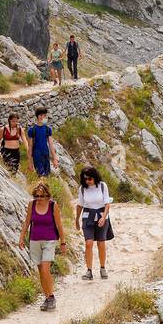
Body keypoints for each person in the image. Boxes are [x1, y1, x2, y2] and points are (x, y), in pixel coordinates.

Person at [19, 180, 65, 311]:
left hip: (50, 240)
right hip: (34, 240)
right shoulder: (32, 204)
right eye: (36, 196)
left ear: (47, 196)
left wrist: (63, 242)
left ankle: (51, 296)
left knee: (45, 270)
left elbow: (59, 225)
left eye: (41, 196)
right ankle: (47, 298)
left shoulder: (53, 206)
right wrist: (22, 237)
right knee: (41, 272)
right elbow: (27, 222)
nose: (39, 199)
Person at [74, 166, 113, 280]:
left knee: (101, 242)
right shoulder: (82, 188)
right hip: (87, 217)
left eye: (90, 178)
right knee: (88, 243)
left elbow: (107, 204)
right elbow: (80, 205)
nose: (87, 181)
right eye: (85, 179)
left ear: (95, 177)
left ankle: (102, 268)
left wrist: (104, 217)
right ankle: (89, 270)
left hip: (101, 215)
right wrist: (76, 219)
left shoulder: (102, 186)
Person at [26, 106, 57, 177]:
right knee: (41, 176)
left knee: (47, 176)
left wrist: (54, 159)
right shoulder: (32, 130)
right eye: (44, 116)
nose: (46, 118)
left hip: (46, 156)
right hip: (37, 156)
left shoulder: (47, 129)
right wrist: (30, 161)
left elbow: (51, 145)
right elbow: (30, 147)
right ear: (39, 116)